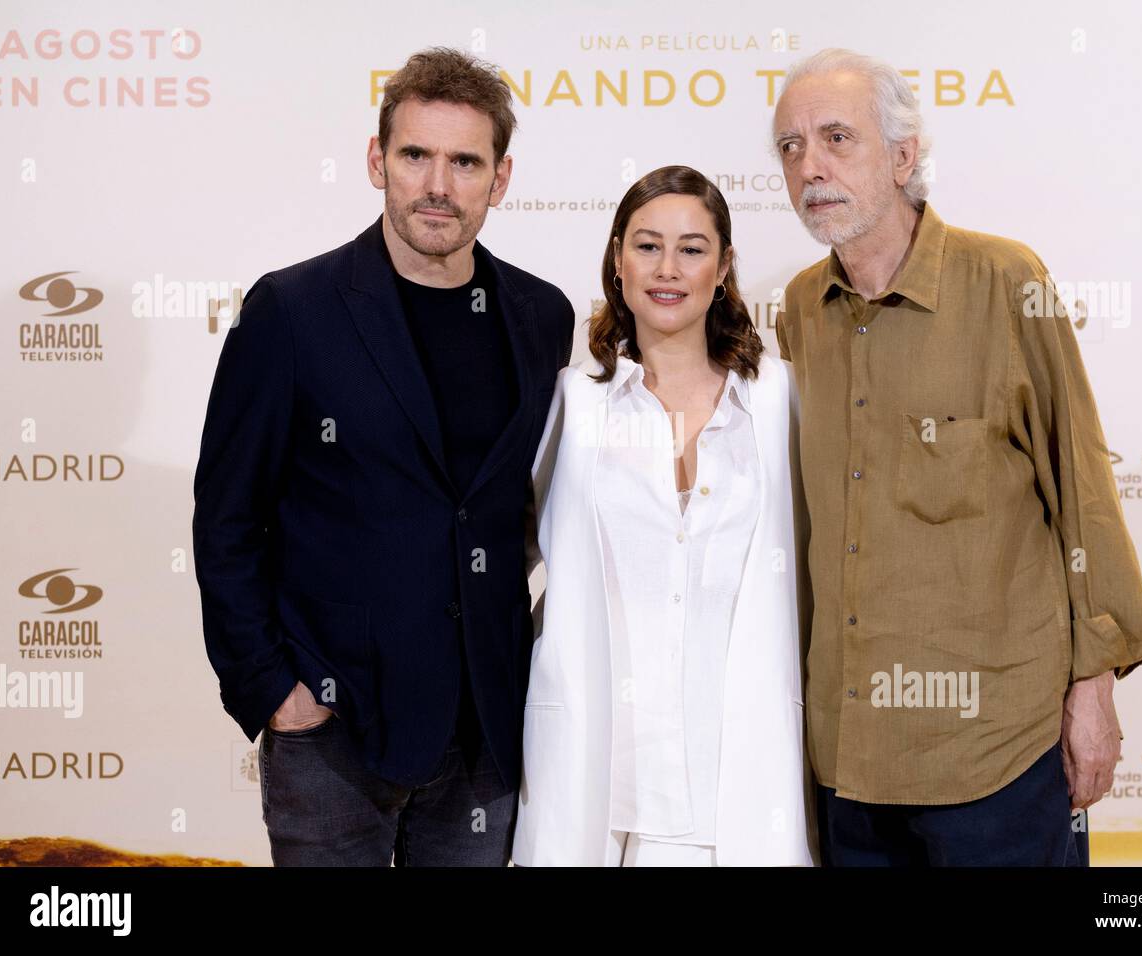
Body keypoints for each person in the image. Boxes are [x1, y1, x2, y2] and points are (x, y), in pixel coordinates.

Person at [771, 49, 1142, 866]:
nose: (811, 167)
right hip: (847, 758)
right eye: (791, 147)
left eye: (838, 137)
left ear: (904, 156)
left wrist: (1095, 692)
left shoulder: (1007, 280)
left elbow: (1082, 485)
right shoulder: (802, 309)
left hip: (996, 755)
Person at [192, 47, 574, 866]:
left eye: (465, 161)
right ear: (377, 161)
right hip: (334, 732)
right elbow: (227, 520)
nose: (439, 184)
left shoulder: (542, 316)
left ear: (500, 179)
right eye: (416, 156)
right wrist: (273, 692)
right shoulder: (291, 311)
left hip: (486, 734)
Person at [512, 165, 816, 867]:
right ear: (617, 260)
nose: (667, 269)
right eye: (647, 246)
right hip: (599, 779)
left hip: (742, 780)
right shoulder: (572, 401)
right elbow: (501, 554)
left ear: (725, 265)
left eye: (692, 247)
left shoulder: (781, 400)